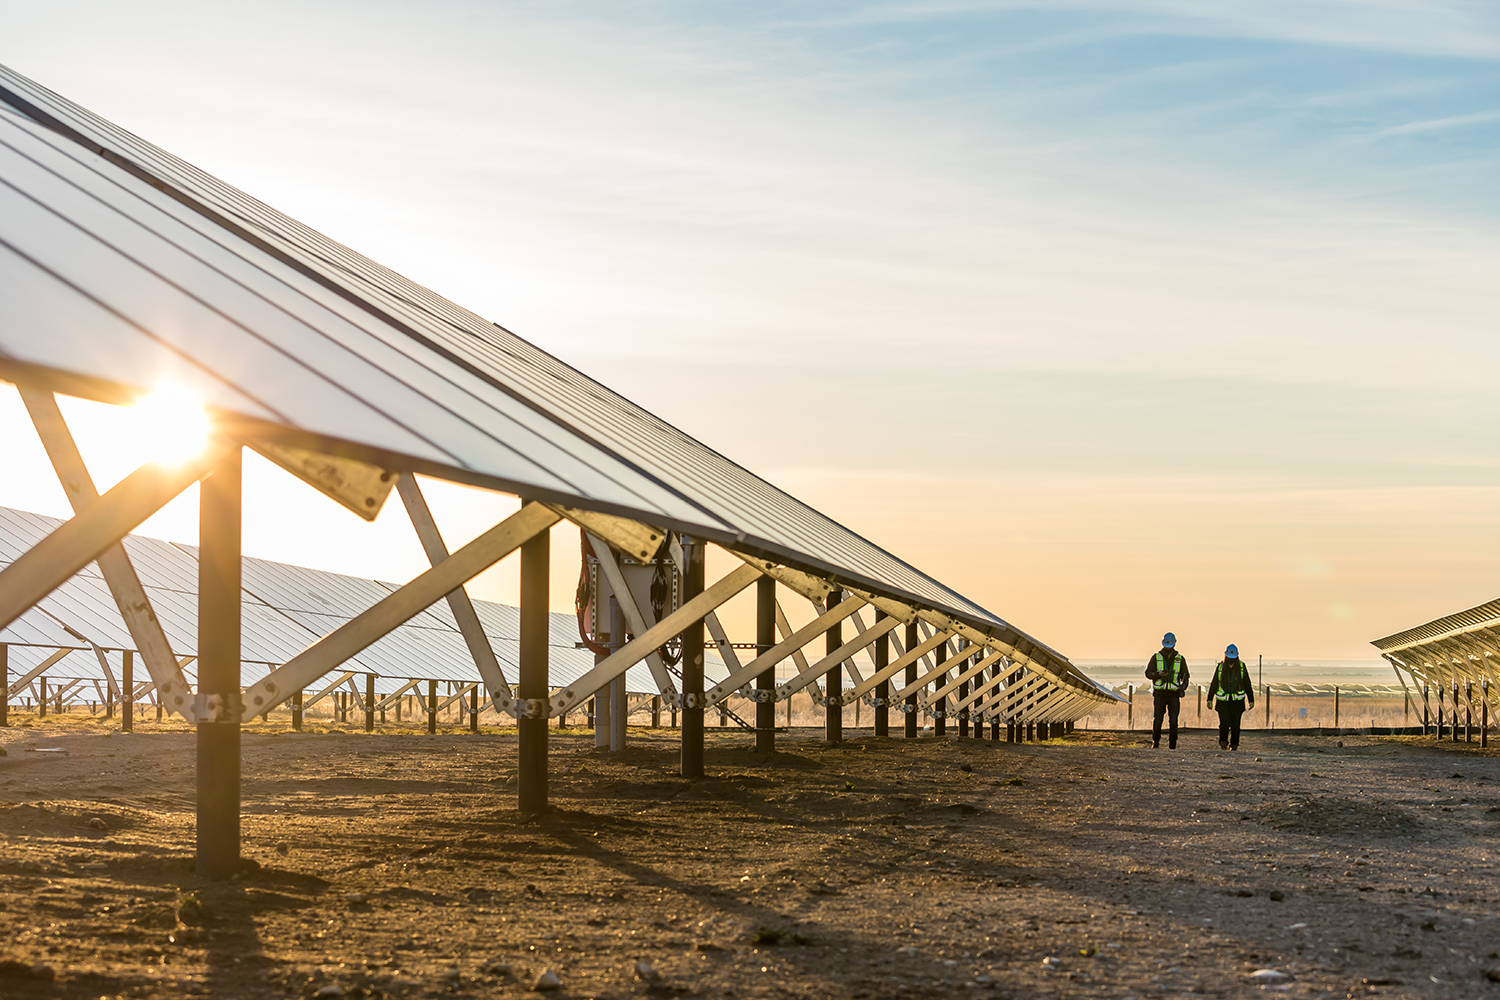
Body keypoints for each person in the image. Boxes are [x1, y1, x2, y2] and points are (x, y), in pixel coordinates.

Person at [1145, 632, 1189, 749]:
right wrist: (1158, 675)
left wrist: (1182, 688)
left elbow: (1185, 676)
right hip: (1160, 694)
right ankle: (1156, 742)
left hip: (1174, 695)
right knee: (1158, 720)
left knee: (1173, 721)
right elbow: (1148, 673)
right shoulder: (1156, 657)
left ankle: (1172, 744)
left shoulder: (1180, 659)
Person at [1208, 644, 1255, 750]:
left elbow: (1247, 684)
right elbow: (1214, 683)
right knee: (1224, 723)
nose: (1231, 659)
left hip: (1237, 702)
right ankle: (1223, 742)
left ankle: (1234, 745)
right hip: (1222, 702)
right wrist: (1209, 699)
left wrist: (1251, 700)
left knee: (1235, 725)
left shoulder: (1242, 667)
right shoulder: (1220, 667)